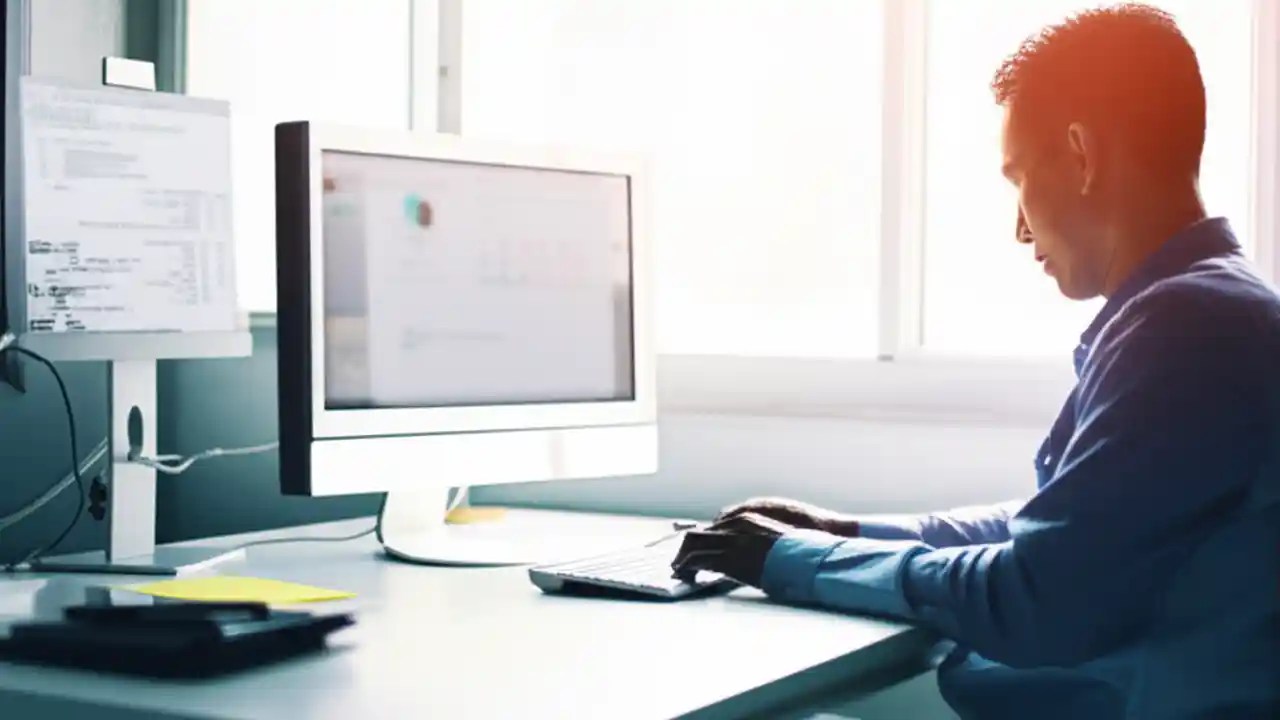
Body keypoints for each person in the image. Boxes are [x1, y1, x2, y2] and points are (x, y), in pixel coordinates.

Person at [671, 4, 1280, 718]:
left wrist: (791, 561)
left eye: (1019, 176)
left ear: (1082, 155)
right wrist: (847, 533)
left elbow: (1037, 595)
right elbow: (1063, 530)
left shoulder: (1190, 328)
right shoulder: (1217, 309)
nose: (1019, 227)